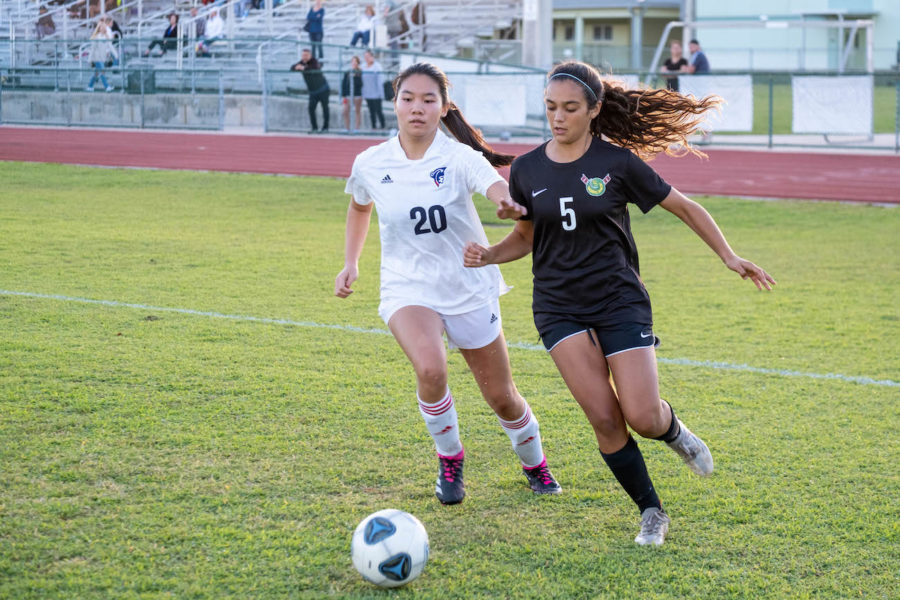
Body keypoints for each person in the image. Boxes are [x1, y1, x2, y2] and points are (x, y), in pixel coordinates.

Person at [463, 60, 775, 545]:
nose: (558, 117)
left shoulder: (618, 164)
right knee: (605, 419)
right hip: (557, 306)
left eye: (570, 108)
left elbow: (685, 207)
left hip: (618, 300)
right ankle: (651, 511)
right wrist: (489, 255)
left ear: (594, 110)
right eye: (551, 107)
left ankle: (674, 432)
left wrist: (728, 255)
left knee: (643, 417)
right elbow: (525, 237)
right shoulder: (526, 169)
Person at [335, 62, 562, 505]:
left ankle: (535, 464)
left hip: (468, 286)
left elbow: (494, 185)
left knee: (502, 398)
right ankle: (450, 459)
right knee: (431, 369)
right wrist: (351, 262)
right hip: (407, 287)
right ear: (395, 103)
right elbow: (360, 207)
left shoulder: (459, 158)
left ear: (443, 108)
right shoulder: (370, 163)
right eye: (407, 98)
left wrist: (507, 204)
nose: (416, 108)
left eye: (428, 100)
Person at [291, 48, 330, 133]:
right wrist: (296, 67)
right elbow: (292, 67)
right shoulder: (302, 62)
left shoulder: (314, 61)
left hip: (323, 90)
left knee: (325, 108)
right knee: (311, 109)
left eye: (306, 55)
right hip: (313, 92)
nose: (304, 57)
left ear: (310, 55)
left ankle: (325, 128)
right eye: (303, 55)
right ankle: (314, 128)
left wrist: (303, 68)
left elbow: (314, 68)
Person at [85, 20, 116, 92]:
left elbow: (109, 46)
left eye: (103, 27)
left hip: (102, 57)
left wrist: (115, 54)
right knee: (102, 71)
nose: (102, 28)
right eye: (101, 27)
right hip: (97, 57)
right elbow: (93, 49)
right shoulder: (96, 37)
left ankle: (90, 86)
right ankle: (107, 86)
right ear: (98, 28)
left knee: (96, 73)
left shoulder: (105, 37)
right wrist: (89, 59)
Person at [360, 50, 384, 130]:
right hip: (367, 93)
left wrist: (381, 93)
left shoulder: (377, 66)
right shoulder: (363, 66)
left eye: (368, 56)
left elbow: (380, 80)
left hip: (376, 93)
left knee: (379, 111)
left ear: (372, 57)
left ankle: (383, 126)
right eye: (365, 57)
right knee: (371, 111)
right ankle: (374, 127)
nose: (366, 58)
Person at [341, 55, 364, 132]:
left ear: (358, 63)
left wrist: (355, 76)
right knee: (345, 111)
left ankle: (357, 129)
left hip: (357, 95)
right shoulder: (347, 72)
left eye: (355, 61)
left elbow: (360, 84)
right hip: (348, 95)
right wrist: (344, 95)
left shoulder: (360, 72)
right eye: (352, 61)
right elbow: (344, 84)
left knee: (357, 111)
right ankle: (347, 128)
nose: (354, 63)